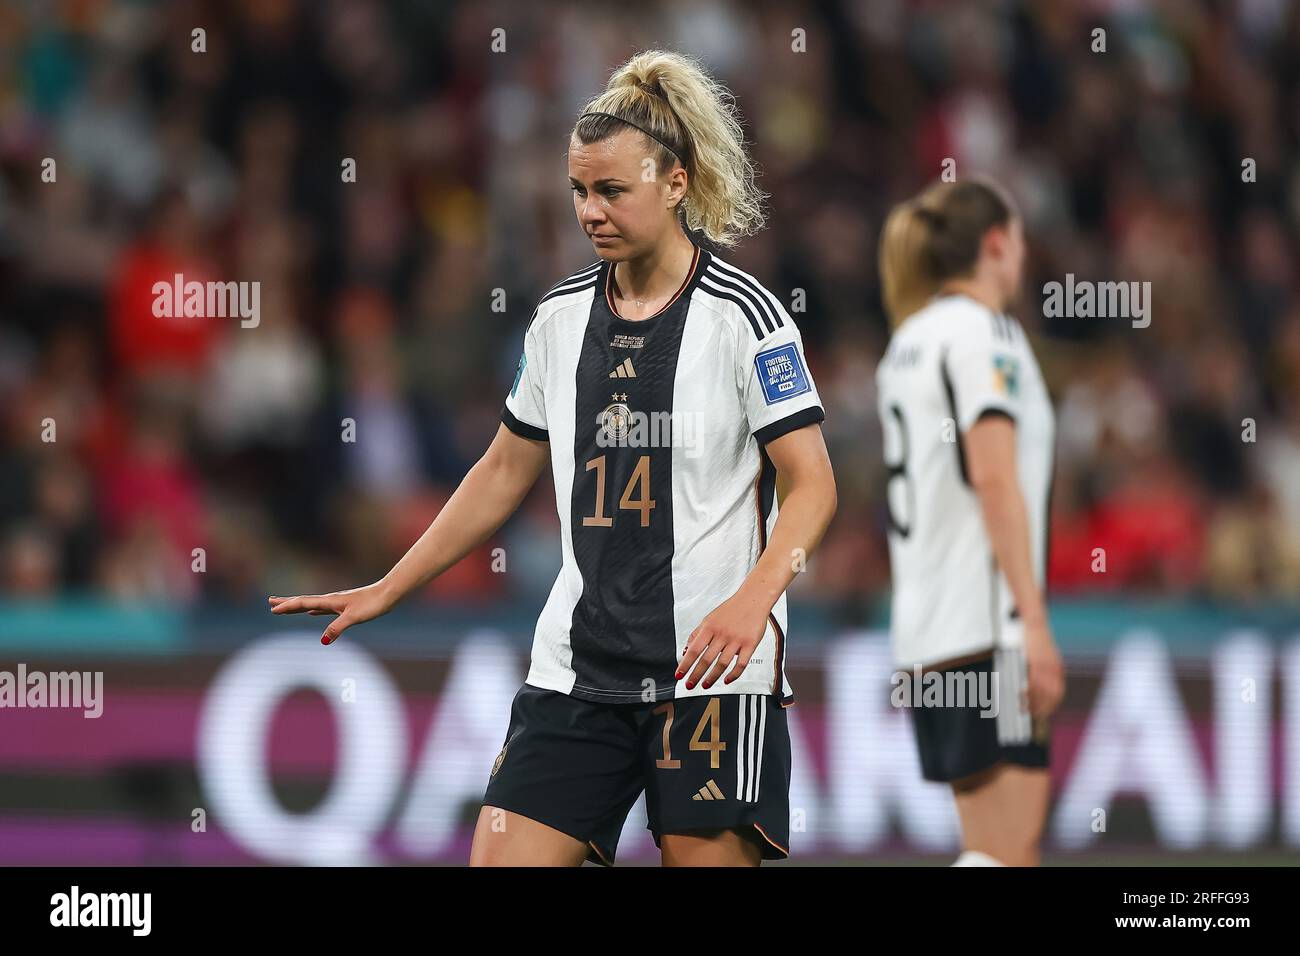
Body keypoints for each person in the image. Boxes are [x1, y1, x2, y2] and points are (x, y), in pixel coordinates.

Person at [269, 50, 836, 867]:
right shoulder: (559, 320)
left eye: (612, 190)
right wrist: (394, 582)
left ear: (675, 184)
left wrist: (756, 599)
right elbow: (503, 470)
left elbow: (814, 487)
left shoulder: (745, 318)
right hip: (576, 671)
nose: (590, 211)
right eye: (578, 191)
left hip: (712, 675)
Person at [875, 177, 1065, 866]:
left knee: (995, 851)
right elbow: (991, 474)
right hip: (993, 633)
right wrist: (1034, 622)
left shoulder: (907, 343)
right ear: (995, 244)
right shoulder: (985, 336)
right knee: (1009, 854)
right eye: (1017, 240)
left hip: (929, 634)